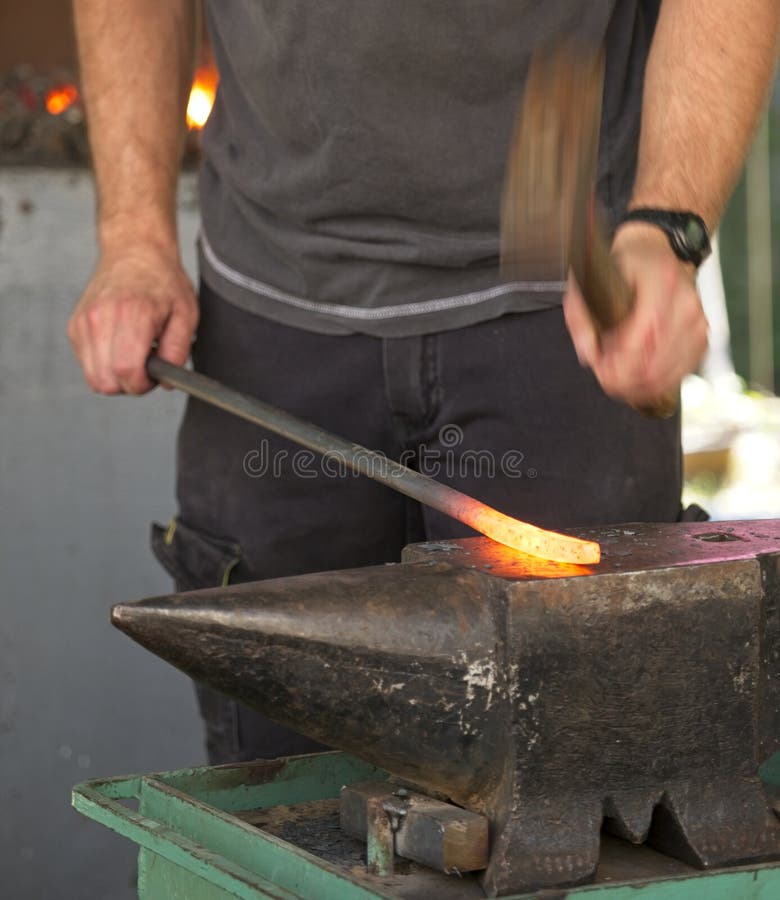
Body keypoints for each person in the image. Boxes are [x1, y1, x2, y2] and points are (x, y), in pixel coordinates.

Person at [68, 1, 779, 763]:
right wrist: (134, 236)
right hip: (274, 307)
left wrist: (668, 224)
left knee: (584, 768)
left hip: (565, 312)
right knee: (283, 790)